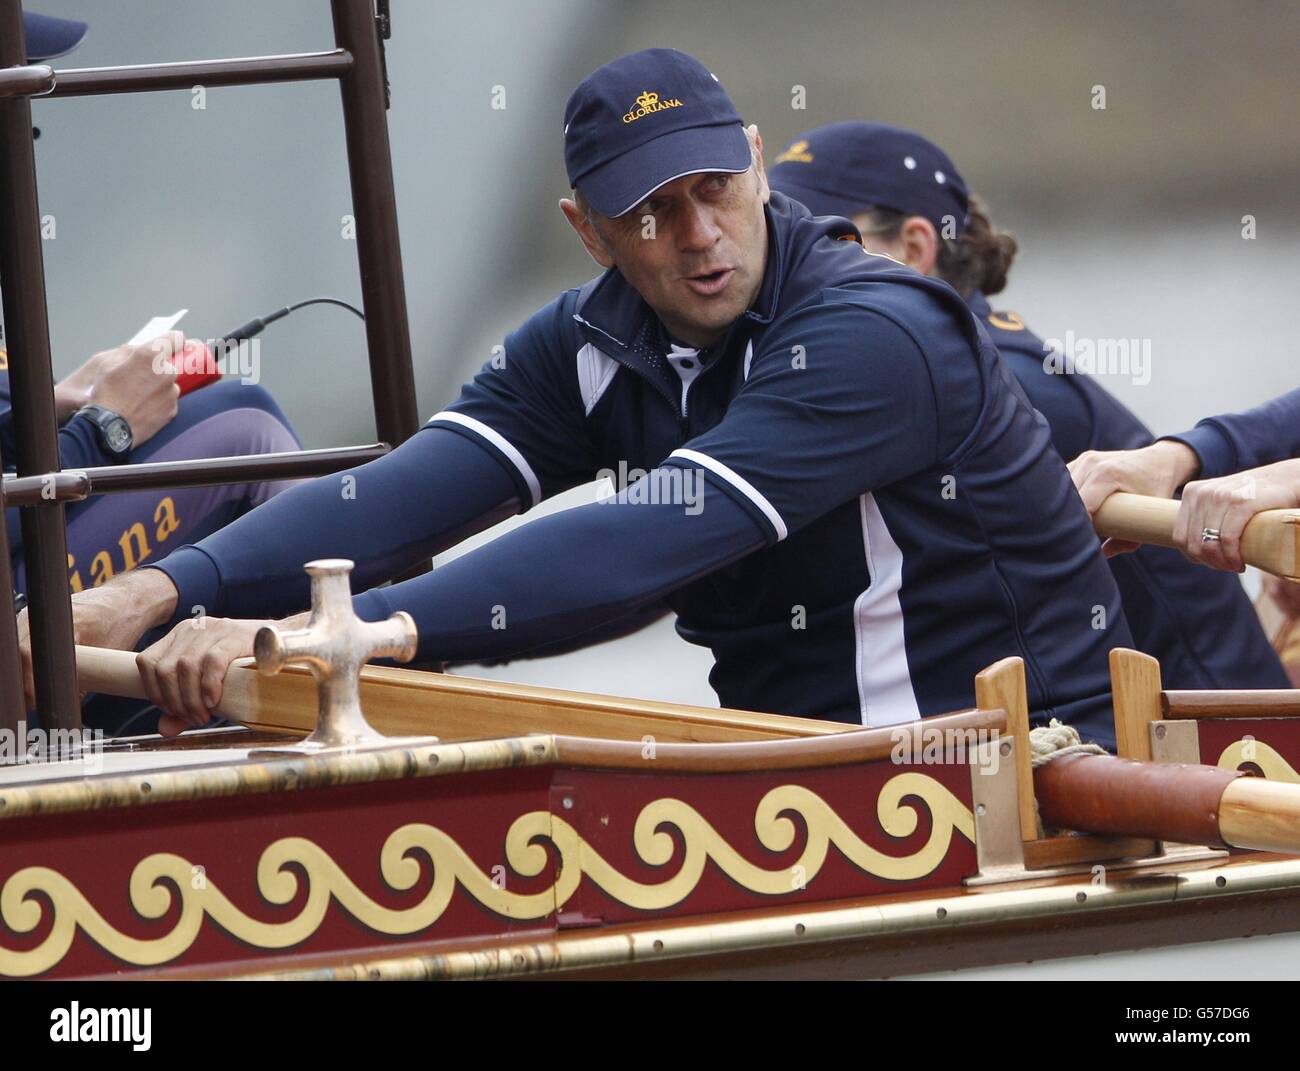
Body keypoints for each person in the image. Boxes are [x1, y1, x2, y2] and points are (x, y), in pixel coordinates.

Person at [21, 48, 1132, 747]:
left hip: (1004, 768)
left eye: (715, 191)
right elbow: (406, 495)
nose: (699, 238)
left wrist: (346, 636)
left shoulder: (874, 333)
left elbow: (642, 542)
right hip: (798, 776)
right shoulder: (587, 338)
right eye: (652, 213)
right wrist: (158, 592)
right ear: (587, 231)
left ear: (754, 161)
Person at [767, 121, 1289, 692]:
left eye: (820, 240)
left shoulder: (999, 385)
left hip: (1214, 727)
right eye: (778, 238)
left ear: (914, 248)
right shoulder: (951, 360)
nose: (784, 263)